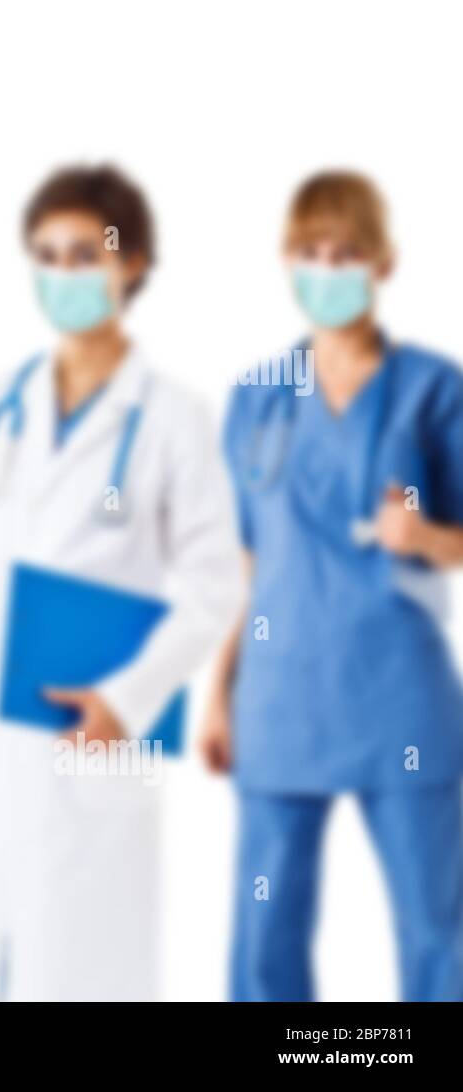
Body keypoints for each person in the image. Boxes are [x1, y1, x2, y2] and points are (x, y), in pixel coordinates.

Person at [0, 166, 242, 1001]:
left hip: (91, 726)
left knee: (77, 961)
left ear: (132, 265)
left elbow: (216, 582)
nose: (65, 276)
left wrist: (129, 697)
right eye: (49, 257)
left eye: (85, 254)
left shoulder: (172, 417)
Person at [203, 171, 463, 1002]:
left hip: (399, 693)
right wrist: (220, 692)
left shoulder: (431, 390)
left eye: (346, 252)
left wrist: (422, 534)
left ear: (380, 262)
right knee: (263, 931)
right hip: (281, 700)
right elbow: (245, 565)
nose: (328, 267)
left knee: (437, 927)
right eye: (312, 252)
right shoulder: (255, 399)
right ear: (289, 261)